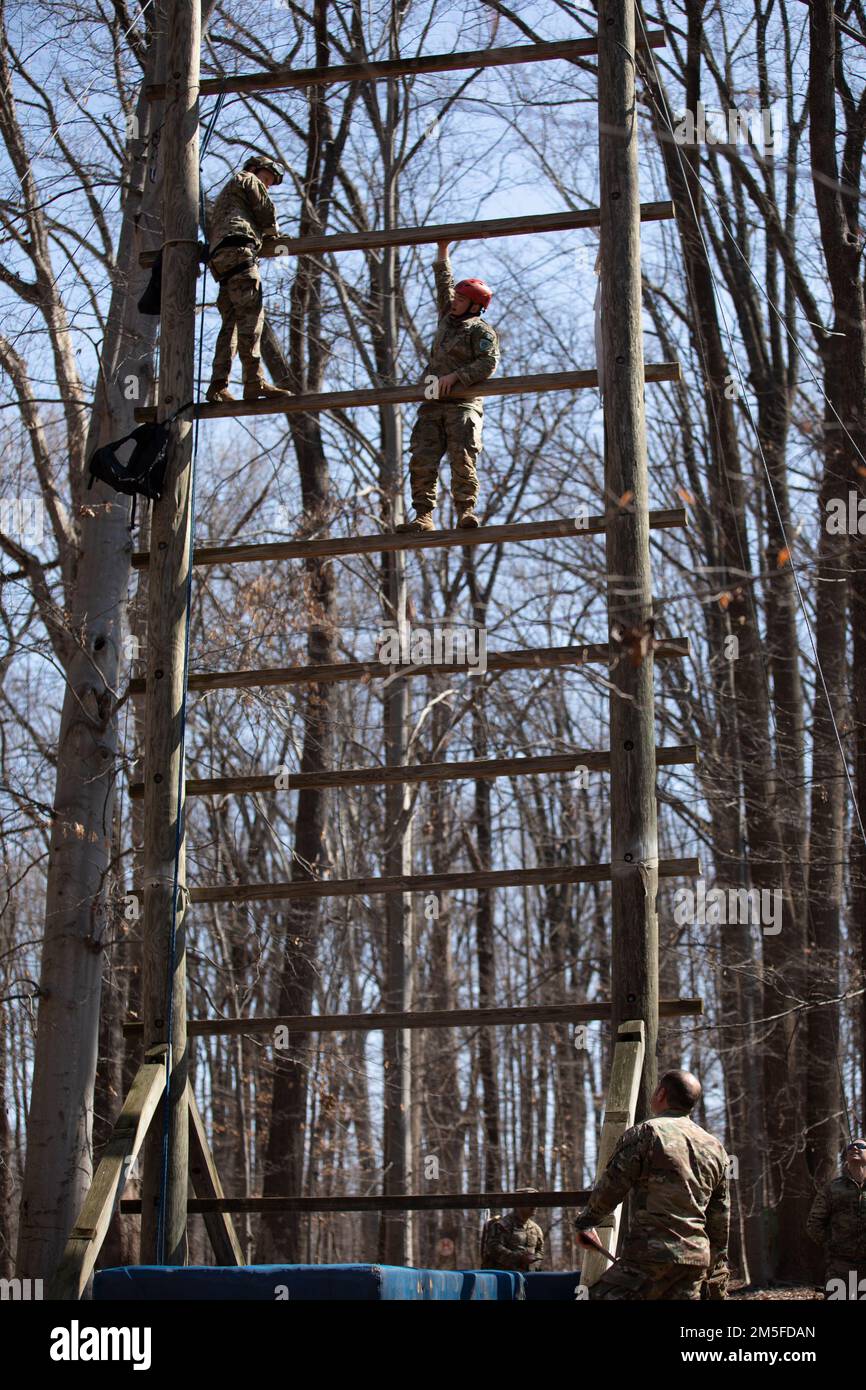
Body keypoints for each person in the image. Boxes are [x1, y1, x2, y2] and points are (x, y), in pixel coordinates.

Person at [574, 1068, 730, 1300]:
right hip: (695, 1260)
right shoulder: (715, 1147)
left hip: (650, 1255)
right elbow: (720, 1217)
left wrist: (585, 1223)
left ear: (660, 1094)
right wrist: (716, 1267)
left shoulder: (645, 1133)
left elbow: (612, 1186)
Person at [397, 239, 500, 533]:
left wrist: (454, 378)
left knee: (462, 458)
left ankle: (466, 511)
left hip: (463, 405)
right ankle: (423, 516)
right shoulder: (447, 316)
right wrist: (443, 248)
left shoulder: (482, 332)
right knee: (421, 460)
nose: (454, 301)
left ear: (475, 306)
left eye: (461, 299)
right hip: (432, 404)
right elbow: (444, 281)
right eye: (455, 297)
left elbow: (488, 363)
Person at [205, 155, 293, 405]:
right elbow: (264, 207)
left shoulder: (227, 199)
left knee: (230, 323)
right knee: (252, 318)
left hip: (222, 258)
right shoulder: (246, 179)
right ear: (255, 170)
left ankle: (218, 385)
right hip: (240, 251)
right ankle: (254, 382)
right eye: (266, 179)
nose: (266, 185)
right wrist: (273, 232)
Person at [806, 1137, 866, 1296]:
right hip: (840, 1268)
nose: (854, 1148)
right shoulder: (832, 1188)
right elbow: (814, 1224)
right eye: (850, 1147)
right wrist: (831, 1244)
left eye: (860, 1145)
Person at [480, 1189, 544, 1272]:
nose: (535, 1206)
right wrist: (519, 1258)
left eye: (536, 1202)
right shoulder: (502, 1225)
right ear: (518, 1203)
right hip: (505, 1277)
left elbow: (540, 1251)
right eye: (530, 1202)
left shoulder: (536, 1229)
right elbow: (494, 1249)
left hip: (530, 1277)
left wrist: (534, 1262)